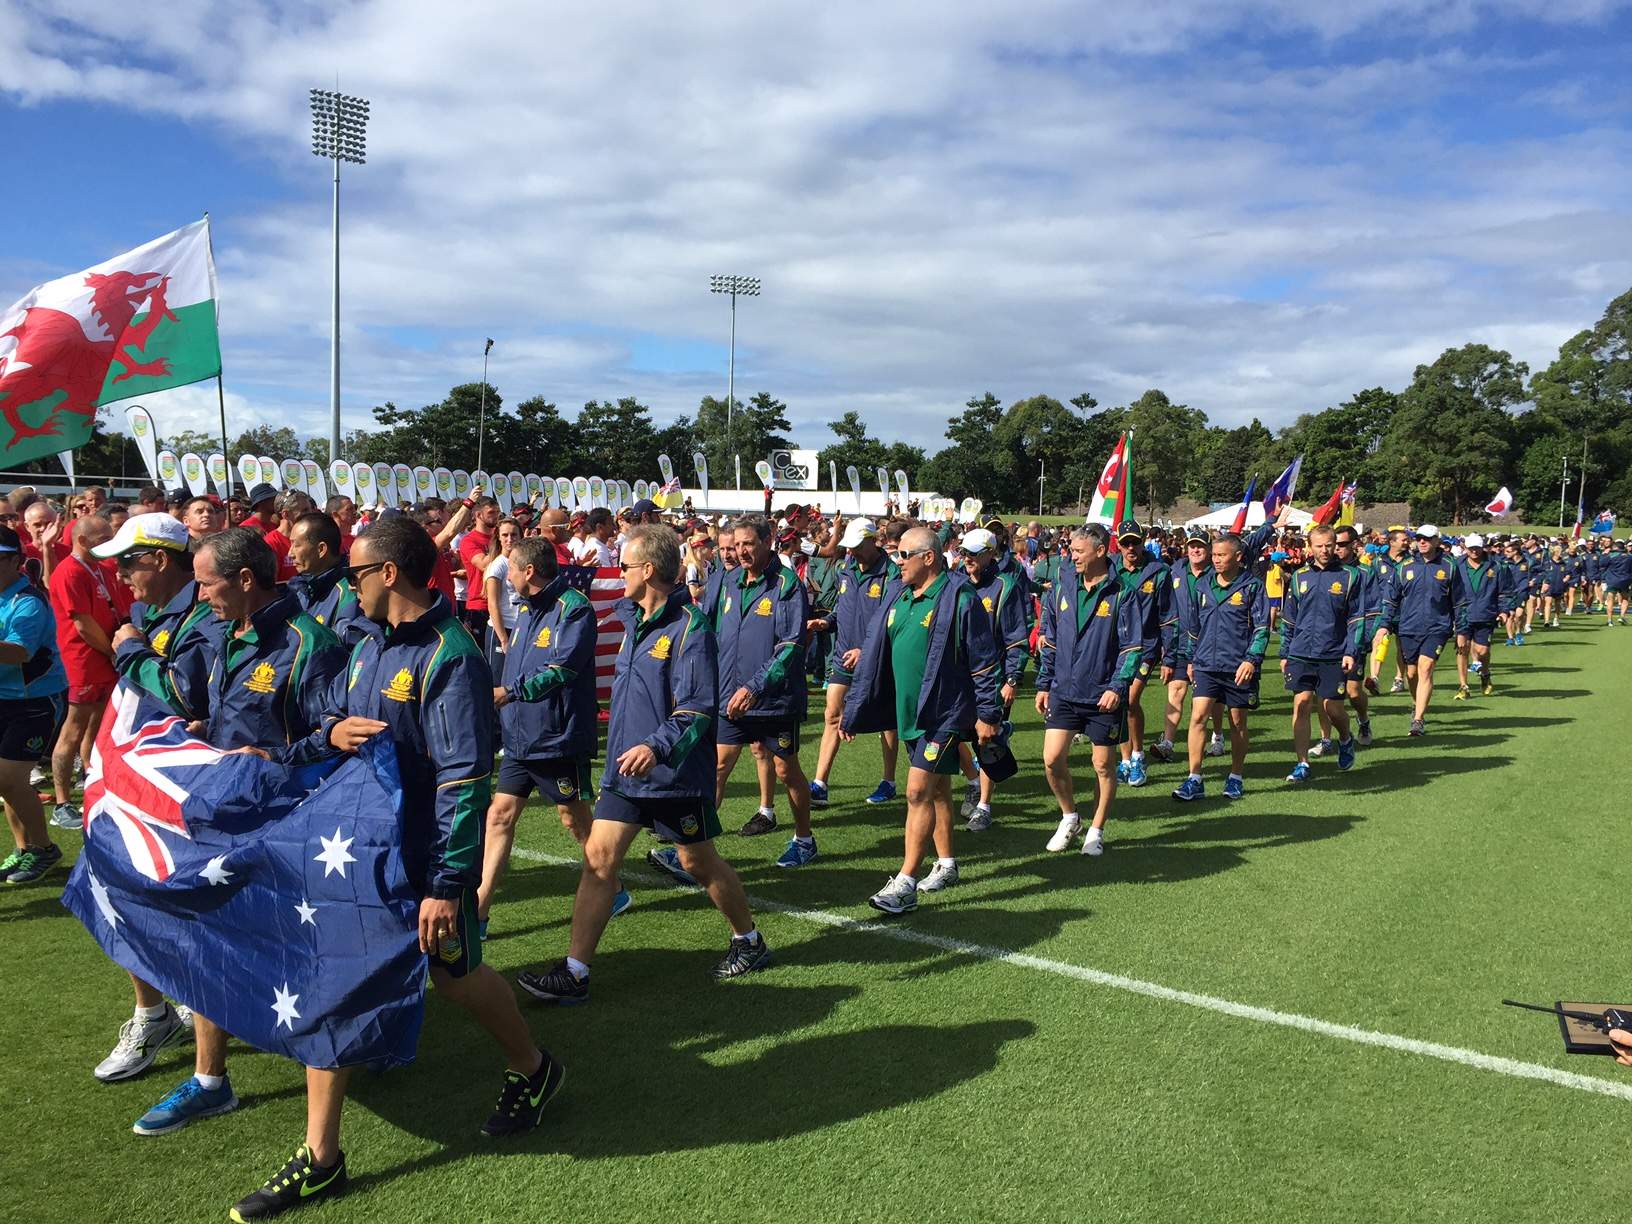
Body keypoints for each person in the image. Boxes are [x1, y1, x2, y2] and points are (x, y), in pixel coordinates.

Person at [248, 516, 565, 1221]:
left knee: (456, 979)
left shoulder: (452, 655)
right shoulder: (366, 644)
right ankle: (322, 1157)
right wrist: (326, 734)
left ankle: (535, 1068)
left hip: (422, 861)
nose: (348, 586)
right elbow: (334, 720)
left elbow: (463, 779)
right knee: (335, 981)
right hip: (359, 852)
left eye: (355, 573)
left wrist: (447, 885)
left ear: (388, 573)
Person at [123, 528, 350, 1140]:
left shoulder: (310, 644)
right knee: (207, 939)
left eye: (206, 583)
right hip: (225, 818)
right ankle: (209, 1081)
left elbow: (336, 737)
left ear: (246, 579)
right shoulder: (229, 632)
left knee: (305, 951)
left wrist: (272, 759)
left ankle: (345, 1051)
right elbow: (228, 716)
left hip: (288, 827)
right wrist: (207, 731)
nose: (200, 595)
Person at [515, 524, 771, 1003]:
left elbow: (697, 710)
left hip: (673, 775)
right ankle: (575, 973)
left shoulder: (691, 628)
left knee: (698, 861)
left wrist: (655, 747)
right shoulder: (631, 620)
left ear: (648, 570)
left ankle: (748, 940)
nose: (620, 573)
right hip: (624, 772)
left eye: (626, 565)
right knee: (598, 860)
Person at [842, 526, 1002, 911]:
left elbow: (984, 661)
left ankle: (906, 883)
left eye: (903, 555)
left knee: (916, 791)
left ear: (928, 558)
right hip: (909, 714)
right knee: (939, 789)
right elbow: (877, 647)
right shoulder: (899, 594)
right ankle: (946, 864)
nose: (897, 562)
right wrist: (855, 707)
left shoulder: (959, 597)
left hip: (944, 714)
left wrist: (988, 714)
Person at [481, 537, 622, 936]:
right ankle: (479, 910)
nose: (506, 575)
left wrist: (509, 693)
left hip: (556, 737)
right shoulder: (526, 608)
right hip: (519, 737)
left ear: (529, 571)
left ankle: (611, 887)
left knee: (574, 819)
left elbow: (564, 669)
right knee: (499, 815)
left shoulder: (574, 608)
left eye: (511, 567)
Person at [710, 514, 815, 867]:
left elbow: (790, 645)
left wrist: (754, 688)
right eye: (737, 544)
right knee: (717, 766)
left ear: (768, 542)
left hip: (773, 701)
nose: (741, 551)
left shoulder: (787, 584)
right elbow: (717, 634)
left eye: (748, 544)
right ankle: (694, 848)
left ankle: (804, 840)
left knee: (786, 770)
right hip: (730, 697)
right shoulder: (730, 580)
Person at [1033, 525, 1141, 856]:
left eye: (1079, 551)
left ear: (1100, 551)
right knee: (1051, 759)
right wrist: (1044, 683)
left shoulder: (1122, 593)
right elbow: (1050, 640)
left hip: (1102, 696)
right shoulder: (1062, 588)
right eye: (1071, 550)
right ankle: (1070, 817)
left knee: (1103, 765)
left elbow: (1132, 648)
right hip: (1063, 691)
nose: (1072, 556)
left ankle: (1096, 829)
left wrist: (1117, 687)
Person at [807, 517, 900, 813]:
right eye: (850, 546)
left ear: (874, 541)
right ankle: (820, 784)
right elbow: (843, 609)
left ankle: (888, 781)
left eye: (858, 546)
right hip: (843, 656)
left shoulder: (892, 574)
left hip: (878, 658)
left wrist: (866, 649)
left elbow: (892, 619)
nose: (853, 552)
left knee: (887, 721)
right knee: (832, 713)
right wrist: (826, 622)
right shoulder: (846, 570)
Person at [1170, 534, 1268, 800]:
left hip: (1238, 666)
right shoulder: (1203, 584)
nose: (1216, 560)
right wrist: (1191, 659)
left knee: (1237, 722)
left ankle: (1235, 776)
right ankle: (1194, 778)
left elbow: (1262, 627)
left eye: (1221, 555)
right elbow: (1193, 627)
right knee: (1198, 717)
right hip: (1205, 664)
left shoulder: (1252, 586)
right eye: (1214, 555)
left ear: (1238, 557)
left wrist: (1251, 659)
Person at [46, 515, 128, 829]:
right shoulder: (69, 571)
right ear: (82, 540)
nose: (110, 544)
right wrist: (112, 651)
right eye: (103, 538)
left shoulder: (98, 567)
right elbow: (82, 623)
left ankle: (91, 782)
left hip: (102, 657)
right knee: (73, 729)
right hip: (83, 660)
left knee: (97, 725)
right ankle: (62, 803)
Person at [0, 523, 68, 885]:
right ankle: (24, 848)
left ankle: (44, 849)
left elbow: (19, 652)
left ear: (16, 561)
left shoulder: (27, 601)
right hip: (4, 698)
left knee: (8, 779)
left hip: (35, 702)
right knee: (8, 784)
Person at [953, 527, 1029, 831]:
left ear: (989, 554)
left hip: (992, 679)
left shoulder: (1005, 587)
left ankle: (983, 806)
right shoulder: (956, 582)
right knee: (951, 735)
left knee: (986, 742)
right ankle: (973, 781)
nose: (967, 558)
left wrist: (1012, 680)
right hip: (959, 679)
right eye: (964, 552)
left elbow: (1016, 639)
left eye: (973, 553)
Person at [1280, 524, 1361, 780]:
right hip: (1300, 652)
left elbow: (1356, 618)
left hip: (1333, 653)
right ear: (1310, 546)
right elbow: (1289, 618)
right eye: (1319, 546)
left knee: (1332, 708)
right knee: (1302, 703)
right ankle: (1302, 763)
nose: (1325, 550)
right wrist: (1284, 652)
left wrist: (1351, 651)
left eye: (1329, 545)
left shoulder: (1350, 576)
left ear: (1335, 545)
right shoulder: (1299, 577)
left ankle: (1345, 738)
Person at [1376, 524, 1468, 737]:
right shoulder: (1404, 566)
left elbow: (1459, 602)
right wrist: (1384, 625)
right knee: (1411, 673)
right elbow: (1390, 599)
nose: (1422, 542)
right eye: (1419, 538)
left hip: (1438, 627)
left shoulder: (1450, 566)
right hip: (1408, 627)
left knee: (1425, 667)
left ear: (1437, 541)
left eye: (1427, 538)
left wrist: (1462, 631)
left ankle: (1418, 720)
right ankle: (1417, 703)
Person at [1111, 520, 1173, 787]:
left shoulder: (1158, 571)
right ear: (1118, 544)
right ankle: (1125, 760)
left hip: (1146, 647)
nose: (1130, 548)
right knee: (1119, 702)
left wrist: (1169, 657)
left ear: (1143, 541)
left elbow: (1168, 616)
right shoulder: (1110, 568)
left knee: (1130, 699)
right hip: (1115, 647)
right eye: (1125, 543)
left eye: (1135, 542)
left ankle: (1138, 757)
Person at [287, 512, 376, 646]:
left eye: (296, 545)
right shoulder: (299, 588)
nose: (290, 553)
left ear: (321, 549)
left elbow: (347, 646)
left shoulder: (350, 591)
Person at [1452, 533, 1505, 699]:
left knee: (1482, 651)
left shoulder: (1496, 566)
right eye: (1471, 548)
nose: (1474, 551)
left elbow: (1505, 591)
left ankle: (1485, 673)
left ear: (1483, 548)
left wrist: (1503, 610)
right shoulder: (1456, 566)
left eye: (1477, 548)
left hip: (1486, 613)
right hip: (1462, 614)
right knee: (1462, 649)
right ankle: (1463, 686)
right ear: (1465, 548)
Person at [480, 516, 524, 668]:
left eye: (514, 534)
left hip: (518, 627)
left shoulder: (520, 563)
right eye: (505, 535)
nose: (510, 539)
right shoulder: (497, 566)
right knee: (498, 679)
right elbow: (492, 604)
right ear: (498, 537)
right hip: (501, 630)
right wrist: (504, 639)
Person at [458, 495, 501, 637]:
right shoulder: (469, 540)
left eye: (497, 512)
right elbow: (482, 564)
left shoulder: (501, 536)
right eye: (491, 512)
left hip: (502, 602)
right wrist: (502, 545)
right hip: (479, 605)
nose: (496, 516)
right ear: (478, 515)